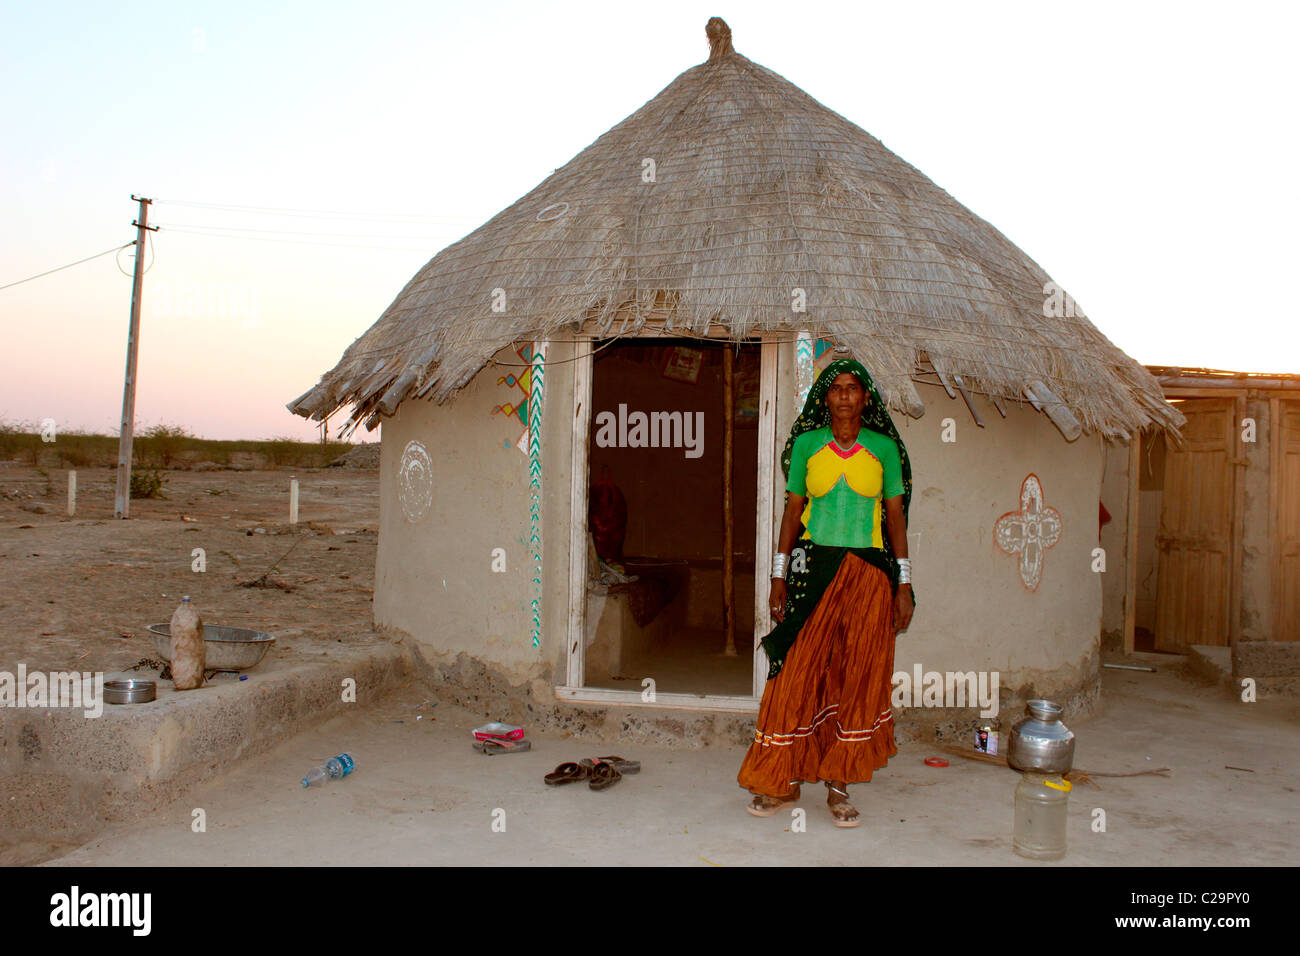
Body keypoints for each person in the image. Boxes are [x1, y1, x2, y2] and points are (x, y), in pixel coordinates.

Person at [737, 357, 915, 827]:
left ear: (865, 398)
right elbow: (792, 514)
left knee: (855, 676)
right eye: (835, 388)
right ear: (824, 397)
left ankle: (839, 785)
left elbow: (895, 518)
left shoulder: (883, 449)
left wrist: (904, 583)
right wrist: (778, 574)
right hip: (812, 571)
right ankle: (784, 776)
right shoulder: (807, 446)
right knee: (795, 674)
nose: (844, 396)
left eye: (853, 388)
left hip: (869, 575)